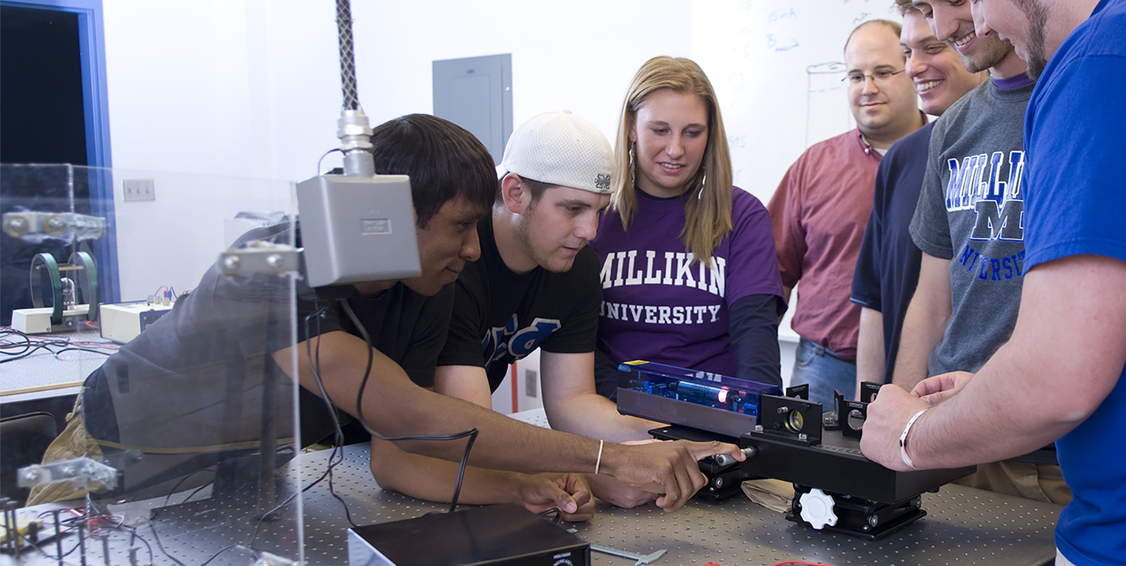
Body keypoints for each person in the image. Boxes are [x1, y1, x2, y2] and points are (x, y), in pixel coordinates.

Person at [29, 114, 741, 515]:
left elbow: (402, 454)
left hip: (242, 471)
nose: (472, 249)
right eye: (461, 228)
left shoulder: (425, 285)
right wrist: (606, 458)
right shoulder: (277, 267)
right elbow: (410, 416)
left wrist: (518, 488)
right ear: (390, 217)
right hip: (115, 457)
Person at [862, 0, 1126, 566]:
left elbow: (1059, 378)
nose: (959, 25)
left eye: (967, 0)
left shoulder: (1113, 59)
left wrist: (909, 436)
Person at [428, 110, 672, 508]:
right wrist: (603, 471)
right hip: (390, 451)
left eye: (598, 210)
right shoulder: (459, 262)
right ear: (515, 194)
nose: (589, 231)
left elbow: (572, 400)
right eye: (572, 209)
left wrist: (666, 438)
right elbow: (470, 432)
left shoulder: (578, 268)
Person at [885, 0, 1068, 505]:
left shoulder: (1080, 102)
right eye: (927, 9)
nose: (944, 27)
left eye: (958, 1)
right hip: (950, 440)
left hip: (1054, 453)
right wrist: (901, 414)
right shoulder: (952, 128)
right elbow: (932, 297)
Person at [591, 56, 784, 401]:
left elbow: (755, 340)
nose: (676, 149)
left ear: (710, 135)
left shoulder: (742, 215)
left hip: (714, 415)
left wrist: (761, 423)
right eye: (660, 130)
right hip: (615, 412)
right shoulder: (596, 213)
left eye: (692, 133)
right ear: (632, 128)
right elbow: (580, 345)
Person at [769, 20, 923, 411]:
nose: (867, 88)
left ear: (913, 67)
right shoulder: (815, 165)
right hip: (823, 369)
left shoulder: (949, 156)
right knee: (811, 474)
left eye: (883, 72)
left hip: (924, 369)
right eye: (856, 76)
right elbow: (774, 273)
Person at [851, 0, 988, 390]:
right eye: (908, 53)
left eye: (932, 47)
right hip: (909, 411)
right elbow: (874, 301)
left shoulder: (1029, 135)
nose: (913, 67)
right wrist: (871, 407)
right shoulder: (901, 159)